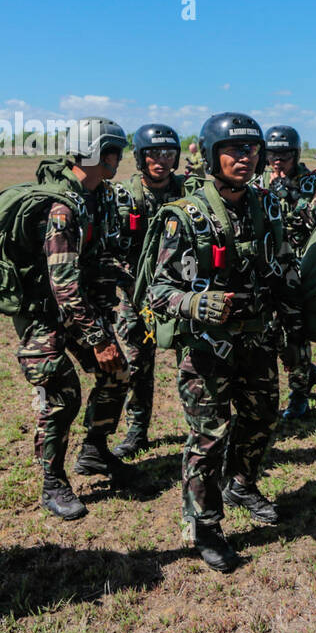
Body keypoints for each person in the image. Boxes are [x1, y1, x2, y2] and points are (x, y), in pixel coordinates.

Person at [142, 113, 302, 571]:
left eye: (251, 149)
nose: (244, 158)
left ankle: (242, 483)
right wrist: (197, 305)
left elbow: (286, 275)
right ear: (212, 156)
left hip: (258, 342)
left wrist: (294, 339)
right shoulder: (186, 217)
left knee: (262, 418)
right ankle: (206, 524)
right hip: (208, 349)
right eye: (232, 150)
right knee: (209, 438)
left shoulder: (269, 206)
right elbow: (157, 291)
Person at [17, 116, 136, 521]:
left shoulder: (100, 195)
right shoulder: (61, 209)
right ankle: (52, 481)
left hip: (83, 312)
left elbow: (104, 252)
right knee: (62, 396)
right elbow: (63, 284)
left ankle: (95, 452)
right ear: (94, 153)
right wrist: (99, 339)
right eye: (112, 151)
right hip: (46, 317)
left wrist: (128, 278)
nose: (118, 159)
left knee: (119, 373)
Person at [104, 124, 192, 460]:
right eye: (153, 153)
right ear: (141, 157)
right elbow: (108, 246)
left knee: (193, 362)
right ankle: (137, 431)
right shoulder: (121, 196)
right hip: (136, 297)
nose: (161, 160)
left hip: (181, 294)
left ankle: (197, 430)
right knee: (138, 366)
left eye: (168, 153)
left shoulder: (189, 191)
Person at [262, 125, 316, 421]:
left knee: (295, 331)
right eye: (272, 155)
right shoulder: (261, 180)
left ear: (295, 154)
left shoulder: (315, 181)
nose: (277, 161)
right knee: (271, 331)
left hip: (301, 267)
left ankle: (299, 394)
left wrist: (291, 198)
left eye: (283, 155)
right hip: (269, 266)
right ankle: (307, 370)